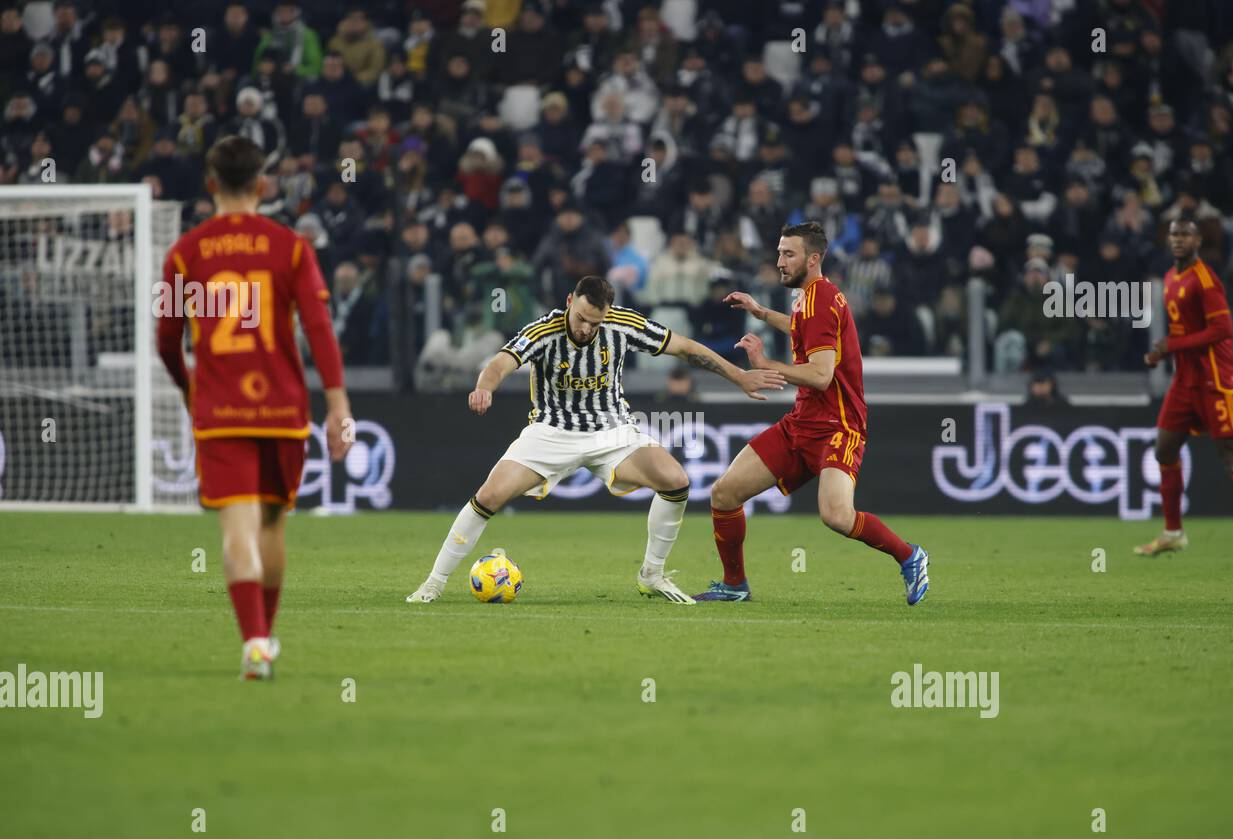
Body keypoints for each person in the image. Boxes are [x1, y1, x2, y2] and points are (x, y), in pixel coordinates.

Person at [406, 276, 785, 605]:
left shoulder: (623, 324)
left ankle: (651, 575)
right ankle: (433, 584)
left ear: (608, 313)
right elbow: (501, 362)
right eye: (582, 318)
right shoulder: (543, 330)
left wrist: (739, 376)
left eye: (595, 322)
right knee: (489, 496)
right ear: (569, 302)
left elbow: (686, 348)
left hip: (612, 430)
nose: (587, 328)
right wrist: (484, 388)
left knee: (676, 481)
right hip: (550, 432)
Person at [156, 135, 353, 679]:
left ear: (210, 184)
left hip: (219, 411)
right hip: (282, 409)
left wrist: (186, 387)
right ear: (264, 186)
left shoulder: (184, 253)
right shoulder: (291, 248)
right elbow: (319, 329)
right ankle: (265, 637)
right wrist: (338, 406)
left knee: (236, 528)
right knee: (272, 525)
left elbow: (166, 341)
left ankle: (255, 643)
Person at [693, 222, 930, 605]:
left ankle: (909, 555)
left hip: (838, 426)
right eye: (779, 252)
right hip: (801, 423)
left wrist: (766, 363)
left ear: (813, 258)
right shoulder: (810, 296)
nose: (779, 262)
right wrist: (760, 311)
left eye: (789, 254)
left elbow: (821, 376)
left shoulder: (819, 299)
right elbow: (803, 329)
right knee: (725, 493)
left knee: (836, 515)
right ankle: (735, 584)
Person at [1136, 218, 1233, 558]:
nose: (1179, 240)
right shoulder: (1170, 277)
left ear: (1198, 241)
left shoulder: (1206, 280)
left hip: (1214, 381)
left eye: (1186, 234)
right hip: (1184, 381)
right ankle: (1173, 532)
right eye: (1174, 234)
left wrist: (1172, 346)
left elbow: (1223, 329)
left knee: (1230, 455)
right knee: (1164, 449)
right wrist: (1161, 353)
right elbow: (1183, 332)